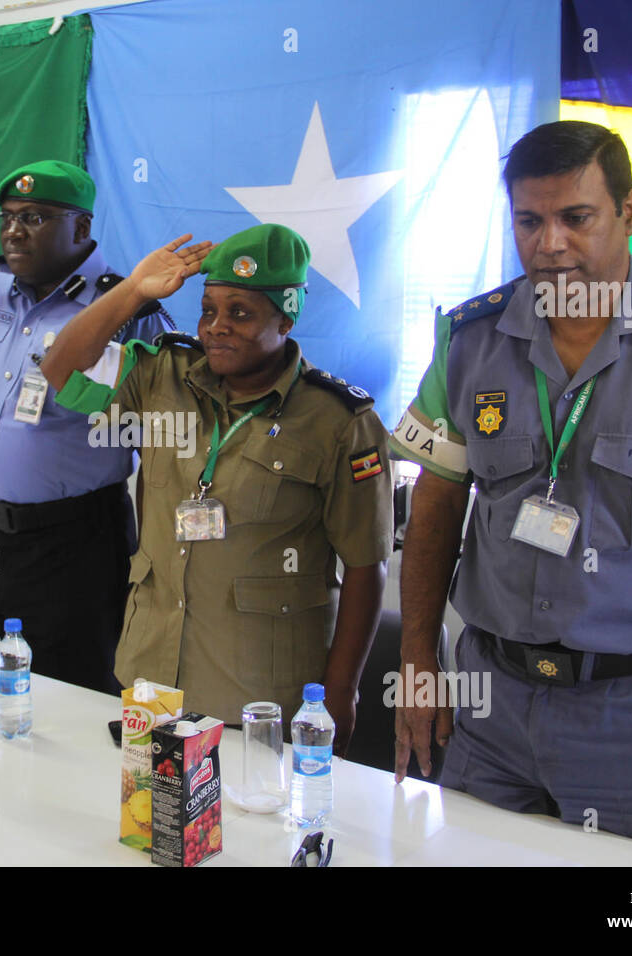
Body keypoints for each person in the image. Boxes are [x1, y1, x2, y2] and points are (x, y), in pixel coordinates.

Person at [390, 120, 632, 861]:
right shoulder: (470, 339)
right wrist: (418, 663)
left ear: (629, 213)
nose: (550, 245)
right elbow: (438, 506)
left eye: (576, 218)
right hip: (489, 707)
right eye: (529, 221)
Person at [41, 224, 392, 752]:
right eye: (209, 310)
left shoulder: (337, 420)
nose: (217, 328)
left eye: (242, 313)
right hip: (152, 678)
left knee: (251, 828)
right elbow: (60, 368)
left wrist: (342, 693)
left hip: (260, 694)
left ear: (287, 317)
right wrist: (133, 290)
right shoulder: (162, 377)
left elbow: (366, 565)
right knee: (149, 827)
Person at [0, 160, 173, 692]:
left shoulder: (125, 307)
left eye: (33, 217)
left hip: (74, 541)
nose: (12, 230)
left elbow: (156, 447)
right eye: (6, 218)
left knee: (65, 699)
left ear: (80, 228)